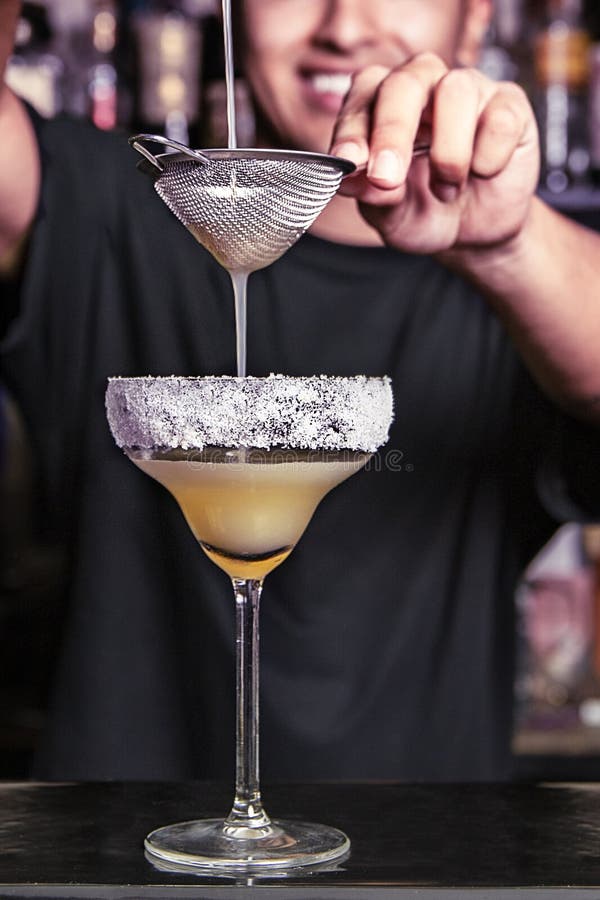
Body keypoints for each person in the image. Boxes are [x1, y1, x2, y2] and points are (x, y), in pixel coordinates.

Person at [0, 0, 599, 782]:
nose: (343, 26)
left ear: (475, 18)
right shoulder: (100, 213)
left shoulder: (528, 294)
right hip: (120, 855)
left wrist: (511, 245)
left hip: (425, 860)